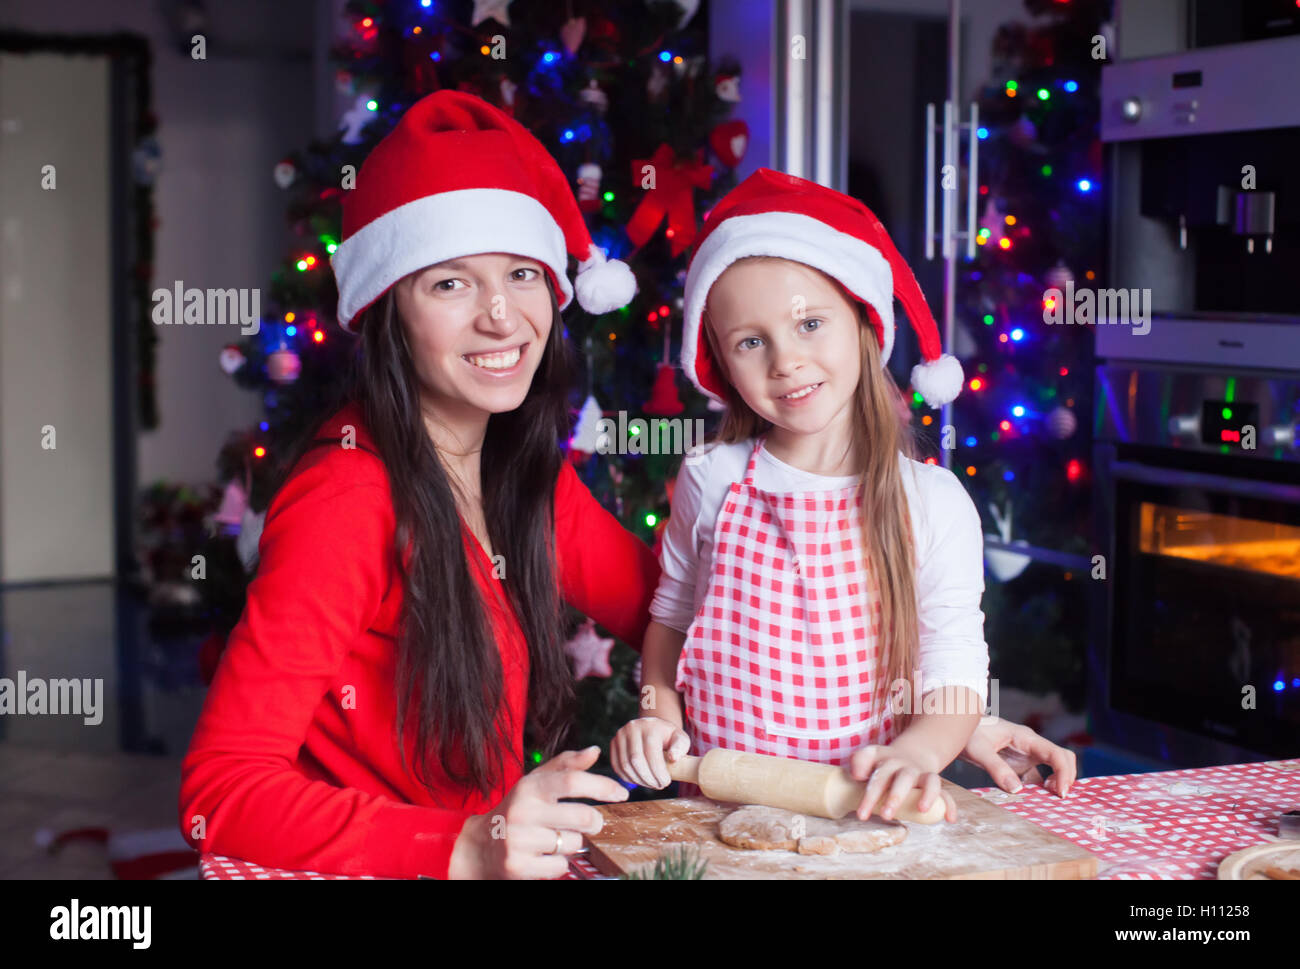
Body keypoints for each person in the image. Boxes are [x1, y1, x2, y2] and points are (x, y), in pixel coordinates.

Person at [179, 90, 654, 881]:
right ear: (388, 312)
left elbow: (669, 602)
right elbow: (219, 791)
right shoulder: (348, 498)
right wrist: (465, 842)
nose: (503, 317)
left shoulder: (521, 473)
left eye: (522, 274)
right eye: (450, 284)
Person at [612, 167, 1044, 823]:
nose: (785, 361)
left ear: (865, 324)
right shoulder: (712, 477)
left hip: (867, 816)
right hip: (715, 815)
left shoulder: (931, 500)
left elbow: (953, 668)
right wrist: (658, 719)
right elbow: (670, 621)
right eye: (751, 342)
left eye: (810, 323)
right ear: (723, 365)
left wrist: (920, 752)